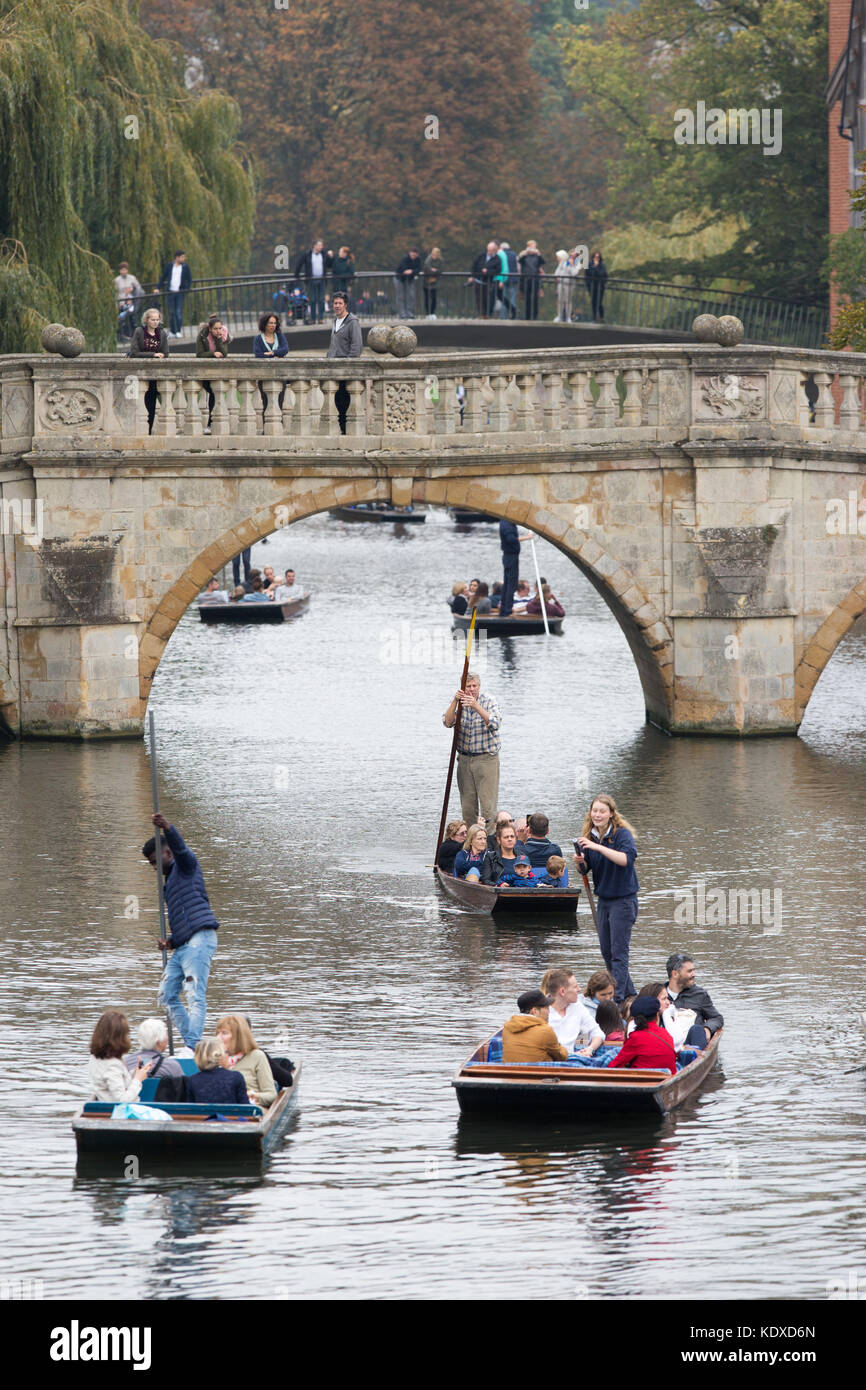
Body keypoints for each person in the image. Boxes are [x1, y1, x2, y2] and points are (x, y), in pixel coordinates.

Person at [143, 814, 219, 1052]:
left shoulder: (186, 867)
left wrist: (167, 828)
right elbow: (184, 919)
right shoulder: (169, 883)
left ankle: (192, 1048)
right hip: (184, 944)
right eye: (151, 865)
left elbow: (183, 850)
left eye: (156, 861)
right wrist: (170, 942)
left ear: (168, 853)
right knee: (166, 995)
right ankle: (196, 1048)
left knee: (194, 995)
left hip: (200, 939)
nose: (155, 868)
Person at [574, 794, 639, 1003]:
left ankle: (617, 1000)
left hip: (623, 900)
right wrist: (580, 862)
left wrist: (598, 847)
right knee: (606, 951)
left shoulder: (622, 835)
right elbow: (586, 869)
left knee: (619, 953)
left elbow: (626, 859)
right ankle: (629, 993)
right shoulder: (590, 836)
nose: (598, 815)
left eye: (602, 811)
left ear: (611, 813)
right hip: (604, 900)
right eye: (595, 811)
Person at [442, 671, 501, 828]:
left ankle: (488, 843)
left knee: (488, 807)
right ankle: (471, 841)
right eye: (468, 686)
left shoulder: (488, 700)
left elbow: (495, 724)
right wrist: (455, 701)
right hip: (465, 759)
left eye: (474, 686)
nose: (471, 689)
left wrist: (476, 706)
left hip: (486, 759)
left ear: (479, 686)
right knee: (468, 808)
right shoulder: (458, 702)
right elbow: (447, 722)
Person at [88, 1010, 153, 1101]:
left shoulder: (95, 1058)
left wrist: (136, 1073)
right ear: (119, 1038)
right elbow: (122, 1100)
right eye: (126, 1034)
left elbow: (114, 1082)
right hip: (122, 1112)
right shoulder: (113, 1065)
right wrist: (138, 1079)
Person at [216, 1015, 277, 1107]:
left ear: (238, 1037)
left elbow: (271, 1095)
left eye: (224, 1033)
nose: (218, 1037)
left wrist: (254, 1095)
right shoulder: (213, 1056)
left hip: (249, 1112)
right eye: (218, 1033)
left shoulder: (257, 1056)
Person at [541, 968, 604, 1055]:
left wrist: (590, 1049)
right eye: (575, 987)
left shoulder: (577, 1007)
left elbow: (597, 1032)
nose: (579, 989)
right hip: (548, 1061)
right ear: (562, 991)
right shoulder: (540, 1010)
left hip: (573, 1058)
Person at [607, 995, 675, 1075]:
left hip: (644, 1079)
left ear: (634, 1020)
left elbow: (615, 1064)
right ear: (657, 1016)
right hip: (669, 1076)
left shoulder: (635, 1037)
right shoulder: (664, 1032)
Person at [325, 290, 362, 435]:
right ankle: (342, 429)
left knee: (345, 401)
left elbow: (356, 346)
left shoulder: (353, 322)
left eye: (340, 303)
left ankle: (347, 431)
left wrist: (348, 365)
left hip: (345, 370)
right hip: (334, 368)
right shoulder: (335, 321)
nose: (337, 306)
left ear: (345, 305)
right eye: (335, 303)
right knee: (337, 401)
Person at [127, 307, 169, 432]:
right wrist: (153, 355)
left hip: (154, 374)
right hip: (139, 372)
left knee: (151, 404)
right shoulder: (139, 331)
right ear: (146, 320)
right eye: (152, 320)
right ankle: (135, 430)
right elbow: (134, 352)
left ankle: (148, 430)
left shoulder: (161, 333)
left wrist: (160, 355)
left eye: (157, 320)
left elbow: (165, 353)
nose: (155, 322)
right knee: (138, 403)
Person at [665, 954, 724, 1042]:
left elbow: (716, 1018)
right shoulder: (657, 994)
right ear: (675, 974)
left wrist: (707, 1028)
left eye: (693, 970)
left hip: (693, 1045)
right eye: (689, 971)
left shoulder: (699, 994)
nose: (694, 975)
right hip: (666, 1042)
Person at [124, 1017, 185, 1100]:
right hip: (164, 1111)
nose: (168, 1038)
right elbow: (184, 1092)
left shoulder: (126, 1062)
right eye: (166, 1034)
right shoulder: (172, 1066)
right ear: (159, 1042)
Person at [502, 990, 569, 1063]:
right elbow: (561, 1056)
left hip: (510, 1073)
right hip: (537, 1073)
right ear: (535, 1011)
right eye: (546, 1008)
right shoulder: (545, 1031)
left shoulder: (507, 1028)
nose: (549, 1012)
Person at [185, 1036, 250, 1105]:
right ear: (220, 1056)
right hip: (229, 1115)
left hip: (204, 1115)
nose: (228, 1055)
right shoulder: (236, 1077)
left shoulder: (192, 1081)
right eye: (227, 1052)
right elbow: (246, 1109)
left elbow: (190, 1111)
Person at [195, 314, 232, 431]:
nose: (218, 331)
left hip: (219, 371)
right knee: (213, 394)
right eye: (215, 329)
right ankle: (211, 423)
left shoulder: (223, 336)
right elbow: (200, 354)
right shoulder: (202, 335)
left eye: (220, 328)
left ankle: (211, 423)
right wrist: (213, 354)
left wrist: (219, 340)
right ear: (210, 329)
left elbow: (224, 353)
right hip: (205, 370)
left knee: (215, 394)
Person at [294, 240, 333, 324]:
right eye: (319, 245)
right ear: (314, 246)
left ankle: (321, 318)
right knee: (312, 300)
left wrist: (330, 257)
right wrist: (296, 275)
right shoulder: (307, 254)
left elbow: (330, 265)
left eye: (321, 245)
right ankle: (313, 318)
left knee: (321, 299)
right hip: (310, 280)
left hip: (322, 279)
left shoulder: (324, 254)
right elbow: (299, 263)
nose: (321, 247)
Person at [498, 521, 531, 618]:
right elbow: (511, 539)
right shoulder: (507, 525)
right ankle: (507, 610)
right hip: (511, 557)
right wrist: (527, 538)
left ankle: (504, 610)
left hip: (508, 557)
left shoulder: (504, 522)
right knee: (511, 584)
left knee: (507, 583)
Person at [159, 250, 192, 337]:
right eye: (182, 257)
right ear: (177, 257)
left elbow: (189, 279)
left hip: (180, 293)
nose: (184, 259)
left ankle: (178, 331)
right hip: (170, 292)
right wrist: (157, 288)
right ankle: (172, 332)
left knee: (178, 312)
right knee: (172, 312)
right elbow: (163, 277)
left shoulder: (185, 267)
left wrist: (186, 289)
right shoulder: (170, 266)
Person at [115, 261, 143, 338]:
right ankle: (123, 334)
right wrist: (116, 305)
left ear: (127, 270)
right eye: (122, 270)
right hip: (121, 302)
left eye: (125, 270)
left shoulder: (132, 278)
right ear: (119, 271)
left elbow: (139, 289)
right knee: (122, 318)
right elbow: (115, 293)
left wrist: (132, 290)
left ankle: (134, 333)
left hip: (131, 302)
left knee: (132, 316)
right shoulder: (116, 280)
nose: (123, 272)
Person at [518, 240, 545, 320]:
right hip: (526, 280)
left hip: (535, 280)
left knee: (535, 299)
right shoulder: (524, 256)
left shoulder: (537, 257)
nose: (533, 249)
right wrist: (525, 253)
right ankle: (527, 316)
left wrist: (538, 254)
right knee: (527, 299)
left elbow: (543, 261)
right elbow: (520, 261)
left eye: (534, 247)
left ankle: (535, 316)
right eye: (532, 247)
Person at [394, 248, 423, 318]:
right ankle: (402, 314)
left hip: (410, 280)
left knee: (411, 296)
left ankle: (410, 313)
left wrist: (412, 271)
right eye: (412, 254)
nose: (413, 255)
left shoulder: (418, 260)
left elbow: (419, 269)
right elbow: (404, 269)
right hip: (400, 279)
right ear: (410, 253)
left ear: (417, 254)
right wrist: (410, 270)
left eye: (415, 254)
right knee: (400, 296)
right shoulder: (405, 258)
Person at [585, 250, 608, 323]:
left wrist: (596, 267)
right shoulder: (589, 264)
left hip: (600, 287)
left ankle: (602, 317)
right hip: (592, 287)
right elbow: (588, 274)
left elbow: (602, 274)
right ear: (593, 257)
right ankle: (594, 318)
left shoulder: (602, 265)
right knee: (593, 302)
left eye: (598, 257)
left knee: (599, 303)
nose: (596, 258)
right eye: (595, 257)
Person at [499, 240, 519, 320]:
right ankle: (513, 316)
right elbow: (518, 266)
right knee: (512, 298)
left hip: (504, 279)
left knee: (504, 299)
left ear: (502, 248)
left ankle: (503, 317)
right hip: (513, 278)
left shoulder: (501, 254)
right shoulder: (514, 254)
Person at [423, 247, 443, 318]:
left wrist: (434, 272)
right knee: (427, 298)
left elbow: (440, 270)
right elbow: (426, 268)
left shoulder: (440, 260)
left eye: (436, 255)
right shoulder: (428, 260)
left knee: (434, 298)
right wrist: (432, 271)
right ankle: (427, 313)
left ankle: (432, 313)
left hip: (435, 282)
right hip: (427, 282)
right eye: (434, 255)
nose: (435, 257)